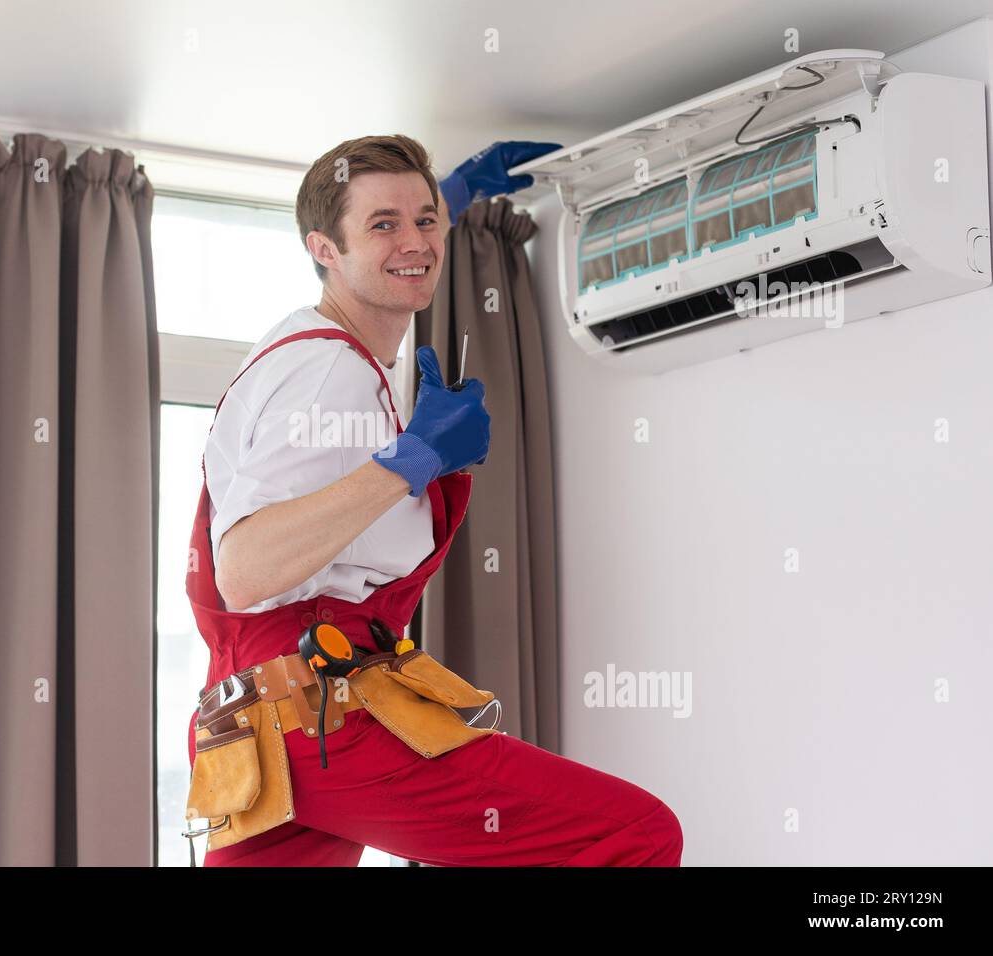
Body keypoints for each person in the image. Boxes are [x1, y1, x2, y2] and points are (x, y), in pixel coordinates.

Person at [186, 135, 683, 866]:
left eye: (426, 220)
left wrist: (441, 200)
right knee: (633, 834)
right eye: (383, 224)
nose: (416, 240)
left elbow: (388, 244)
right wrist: (410, 461)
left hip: (260, 728)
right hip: (320, 714)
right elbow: (247, 570)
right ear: (324, 248)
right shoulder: (331, 370)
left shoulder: (307, 346)